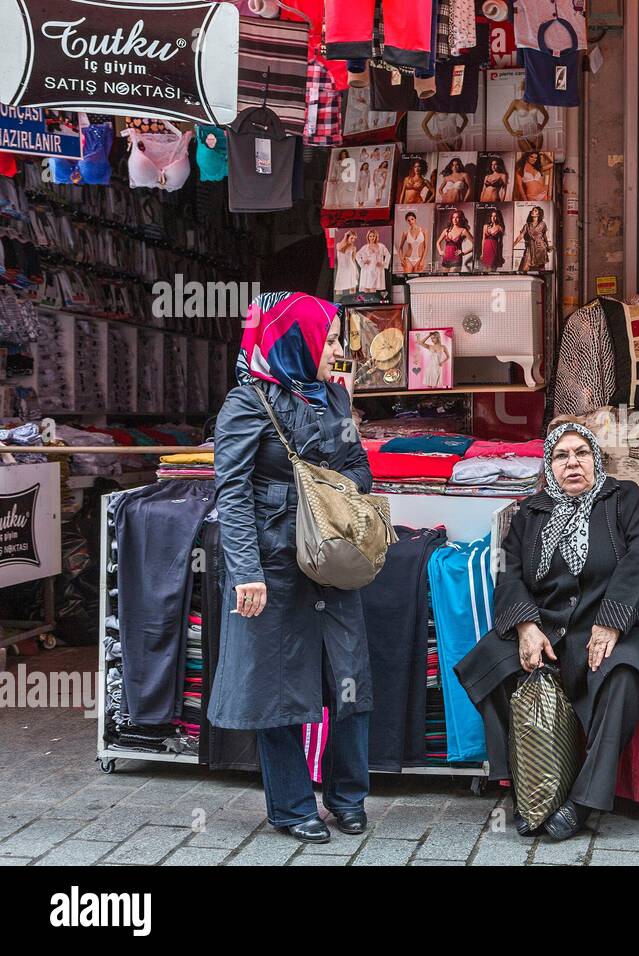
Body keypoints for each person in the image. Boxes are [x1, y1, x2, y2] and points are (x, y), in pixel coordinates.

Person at [210, 292, 373, 844]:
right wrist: (245, 572)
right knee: (277, 688)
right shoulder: (246, 402)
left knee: (349, 677)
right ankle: (292, 805)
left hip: (330, 555)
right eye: (327, 337)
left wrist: (336, 498)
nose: (337, 348)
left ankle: (348, 796)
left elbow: (357, 464)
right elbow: (230, 494)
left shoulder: (332, 397)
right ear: (293, 340)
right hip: (273, 563)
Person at [454, 420, 639, 840]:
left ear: (595, 460)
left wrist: (612, 620)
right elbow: (509, 571)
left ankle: (583, 802)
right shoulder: (530, 513)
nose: (573, 463)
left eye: (581, 453)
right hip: (548, 627)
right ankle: (528, 786)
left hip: (612, 625)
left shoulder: (622, 498)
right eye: (561, 456)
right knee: (487, 661)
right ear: (549, 466)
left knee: (625, 675)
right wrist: (526, 625)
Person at [515, 205, 550, 271]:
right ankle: (525, 281)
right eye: (532, 210)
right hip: (530, 247)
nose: (533, 211)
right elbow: (521, 236)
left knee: (541, 269)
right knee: (525, 268)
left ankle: (543, 281)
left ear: (538, 214)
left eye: (535, 211)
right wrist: (513, 245)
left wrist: (548, 247)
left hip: (540, 247)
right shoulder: (527, 225)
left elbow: (544, 236)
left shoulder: (542, 224)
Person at [333, 230, 359, 296]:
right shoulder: (338, 245)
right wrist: (345, 236)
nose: (353, 240)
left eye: (354, 238)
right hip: (342, 270)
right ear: (347, 237)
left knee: (352, 289)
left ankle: (353, 302)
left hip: (350, 268)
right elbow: (340, 249)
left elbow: (353, 260)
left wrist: (356, 270)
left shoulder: (353, 248)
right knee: (339, 291)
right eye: (351, 238)